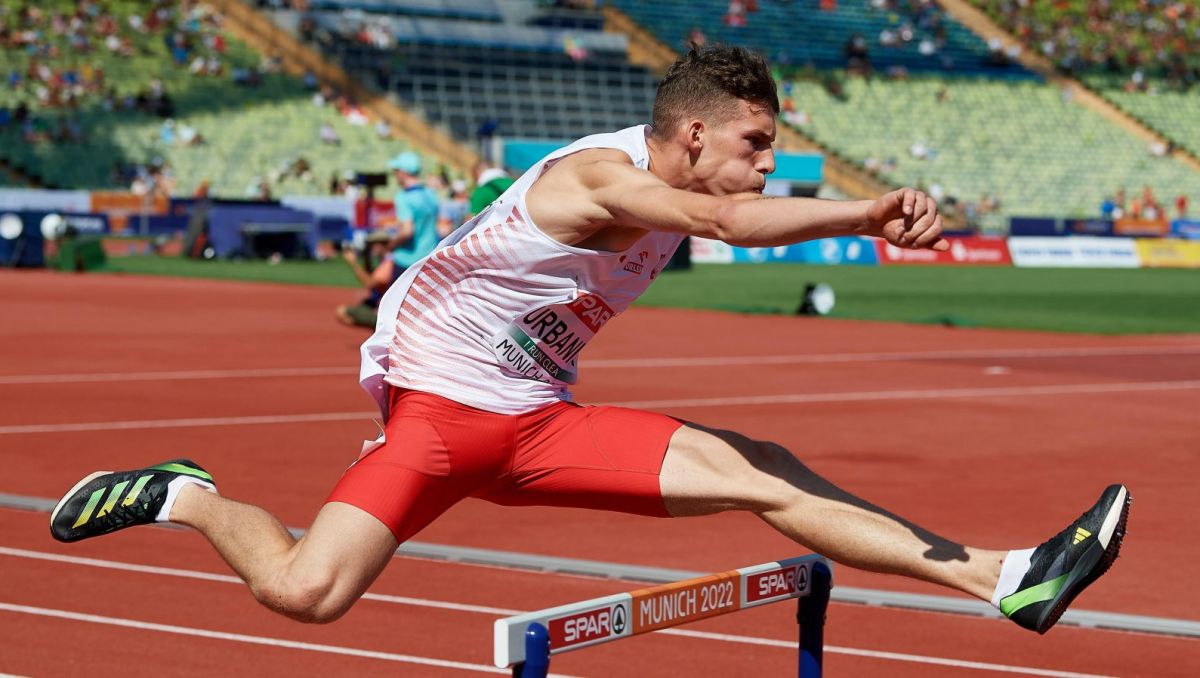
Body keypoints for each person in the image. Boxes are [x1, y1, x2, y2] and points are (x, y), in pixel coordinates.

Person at [50, 45, 1129, 635]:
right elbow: (718, 219)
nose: (767, 166)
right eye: (758, 146)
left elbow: (704, 214)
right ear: (693, 135)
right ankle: (184, 495)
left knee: (763, 473)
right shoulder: (604, 178)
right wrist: (860, 211)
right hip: (434, 419)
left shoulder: (661, 181)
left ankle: (1009, 579)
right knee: (304, 596)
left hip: (536, 425)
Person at [386, 151, 440, 273]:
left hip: (407, 261)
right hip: (429, 258)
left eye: (397, 170)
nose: (395, 174)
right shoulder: (430, 194)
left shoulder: (404, 197)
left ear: (404, 172)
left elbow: (407, 231)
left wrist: (390, 246)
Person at [336, 229, 399, 328]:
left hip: (389, 312)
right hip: (386, 307)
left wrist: (353, 263)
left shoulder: (389, 261)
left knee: (341, 312)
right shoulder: (386, 260)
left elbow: (369, 283)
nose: (372, 247)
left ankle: (381, 328)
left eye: (374, 244)